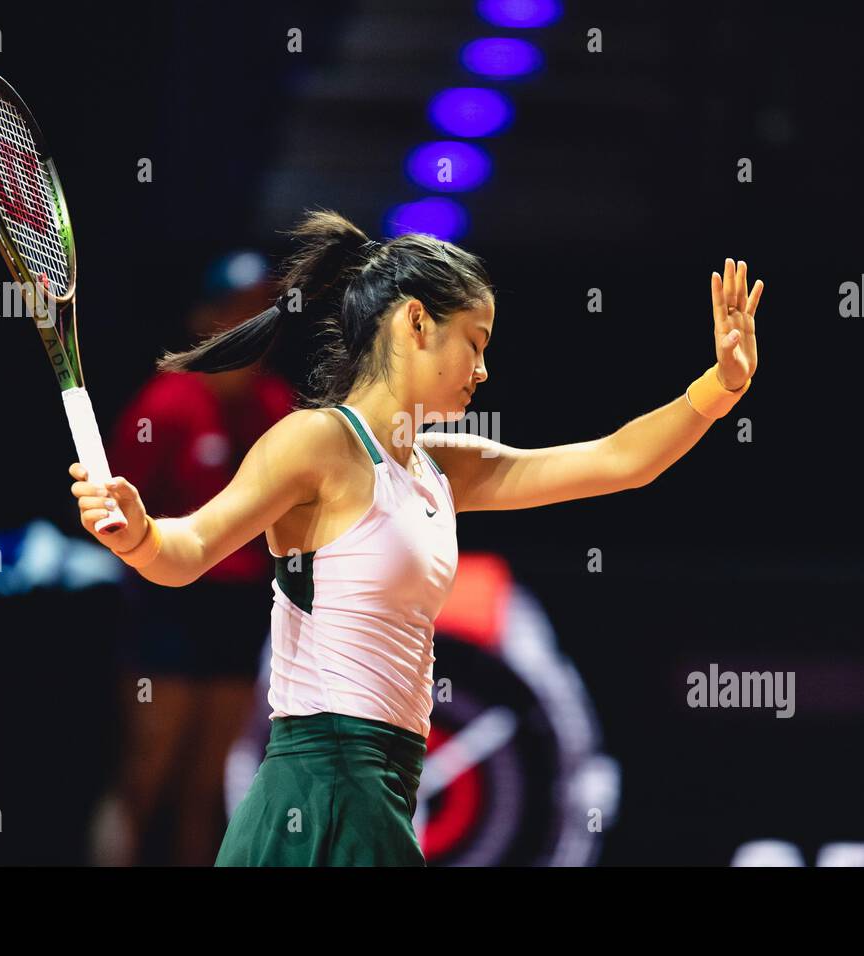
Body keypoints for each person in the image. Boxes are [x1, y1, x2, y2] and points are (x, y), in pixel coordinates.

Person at [68, 208, 763, 866]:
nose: (484, 371)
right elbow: (185, 552)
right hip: (324, 786)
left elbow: (619, 461)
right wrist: (137, 535)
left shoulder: (444, 468)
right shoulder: (316, 441)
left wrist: (718, 388)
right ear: (416, 322)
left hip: (385, 785)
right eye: (476, 343)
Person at [95, 257, 294, 866]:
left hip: (238, 614)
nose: (251, 322)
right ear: (205, 319)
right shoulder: (166, 404)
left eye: (263, 310)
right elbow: (114, 519)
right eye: (238, 307)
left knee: (209, 788)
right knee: (145, 775)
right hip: (167, 609)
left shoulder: (278, 409)